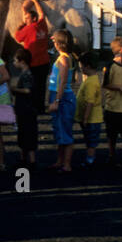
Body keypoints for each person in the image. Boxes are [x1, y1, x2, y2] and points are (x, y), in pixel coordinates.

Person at [12, 0, 52, 117]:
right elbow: (41, 14)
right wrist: (35, 1)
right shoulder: (42, 25)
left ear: (33, 19)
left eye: (27, 18)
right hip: (44, 62)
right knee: (41, 86)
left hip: (33, 62)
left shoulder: (28, 28)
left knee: (31, 86)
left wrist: (21, 25)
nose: (26, 20)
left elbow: (18, 38)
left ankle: (32, 107)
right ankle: (40, 108)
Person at [45, 30, 77, 172]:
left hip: (63, 98)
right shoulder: (64, 57)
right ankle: (60, 161)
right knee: (59, 130)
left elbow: (63, 81)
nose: (54, 43)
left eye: (55, 41)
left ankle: (67, 164)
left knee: (65, 130)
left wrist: (56, 100)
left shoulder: (64, 59)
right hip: (58, 95)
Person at [102, 37, 122, 166]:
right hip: (113, 106)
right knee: (112, 135)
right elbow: (105, 84)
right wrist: (120, 88)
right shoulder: (109, 66)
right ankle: (111, 155)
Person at [9, 48, 39, 168]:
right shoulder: (27, 73)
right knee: (24, 134)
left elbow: (27, 90)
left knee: (27, 134)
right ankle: (25, 159)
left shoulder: (27, 74)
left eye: (15, 60)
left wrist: (14, 89)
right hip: (24, 109)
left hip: (26, 109)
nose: (14, 63)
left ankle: (31, 161)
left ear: (22, 62)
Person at [74, 54, 103, 168]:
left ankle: (90, 160)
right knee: (90, 139)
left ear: (88, 66)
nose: (80, 69)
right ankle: (90, 157)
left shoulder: (91, 82)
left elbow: (90, 103)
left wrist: (85, 118)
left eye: (82, 67)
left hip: (92, 119)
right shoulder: (93, 79)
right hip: (92, 118)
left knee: (91, 140)